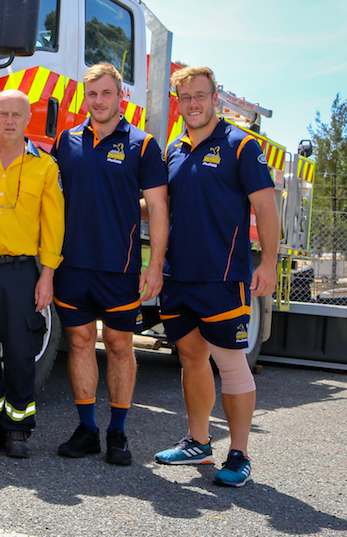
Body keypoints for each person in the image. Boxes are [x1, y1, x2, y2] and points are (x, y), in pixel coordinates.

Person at [154, 66, 278, 488]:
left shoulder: (241, 145)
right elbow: (162, 208)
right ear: (179, 102)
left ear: (215, 98)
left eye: (200, 96)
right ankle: (199, 442)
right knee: (190, 357)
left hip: (222, 277)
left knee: (230, 361)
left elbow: (265, 207)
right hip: (179, 276)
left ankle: (239, 454)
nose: (193, 104)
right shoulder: (174, 149)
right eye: (185, 97)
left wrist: (268, 264)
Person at [50, 62, 168, 466]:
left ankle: (118, 432)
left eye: (106, 93)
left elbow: (158, 207)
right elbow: (51, 202)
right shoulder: (66, 142)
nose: (98, 101)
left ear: (121, 97)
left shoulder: (143, 144)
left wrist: (155, 267)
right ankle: (87, 429)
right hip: (72, 266)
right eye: (92, 94)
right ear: (85, 99)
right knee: (80, 343)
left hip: (119, 268)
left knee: (118, 345)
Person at [0, 89, 64, 458]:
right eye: (2, 113)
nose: (9, 121)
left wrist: (47, 276)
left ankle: (18, 428)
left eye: (16, 115)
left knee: (22, 351)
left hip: (22, 272)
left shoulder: (45, 166)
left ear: (27, 120)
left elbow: (54, 225)